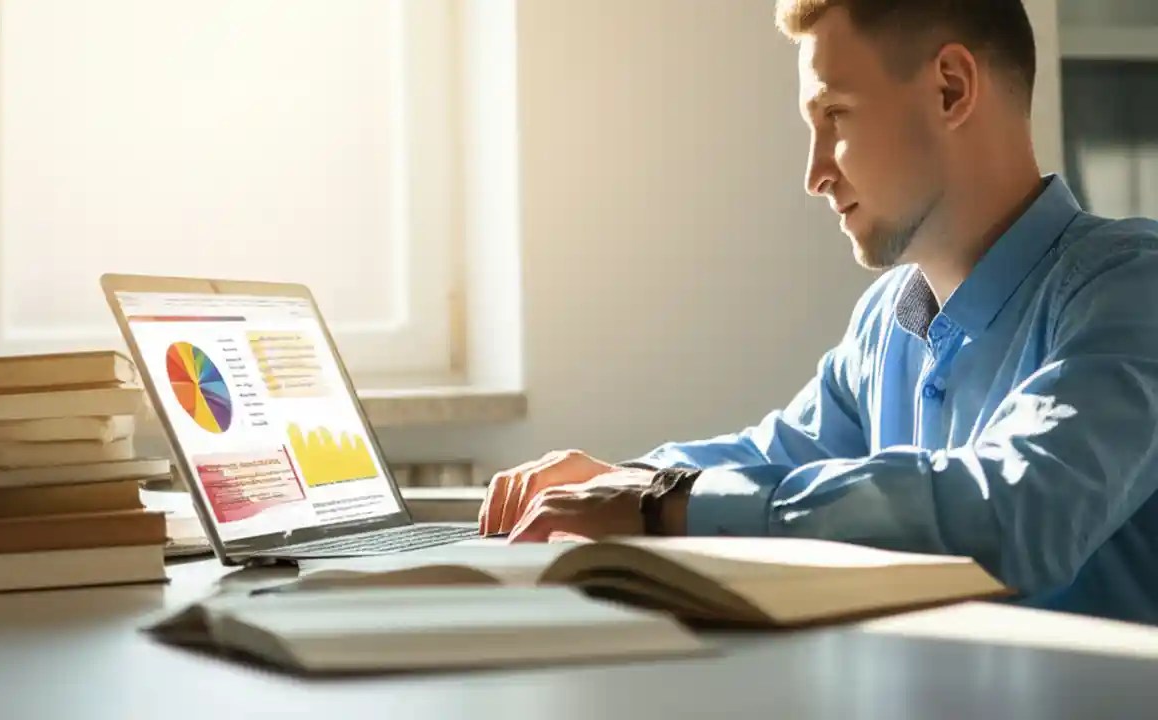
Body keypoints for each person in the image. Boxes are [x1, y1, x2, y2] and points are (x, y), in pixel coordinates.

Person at [478, 0, 1158, 625]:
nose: (815, 174)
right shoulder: (886, 321)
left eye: (835, 115)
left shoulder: (1131, 288)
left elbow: (1019, 508)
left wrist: (664, 504)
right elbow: (776, 455)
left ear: (951, 89)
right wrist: (622, 479)